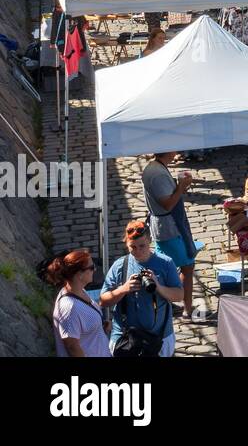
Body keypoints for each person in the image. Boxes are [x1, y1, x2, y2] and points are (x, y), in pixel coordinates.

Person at [99, 220, 183, 357]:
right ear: (126, 243)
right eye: (133, 247)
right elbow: (103, 301)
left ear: (150, 240)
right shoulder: (120, 266)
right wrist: (123, 289)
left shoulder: (165, 263)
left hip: (159, 338)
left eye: (142, 246)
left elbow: (179, 295)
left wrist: (159, 287)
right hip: (126, 339)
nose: (138, 251)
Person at [141, 152, 197, 317]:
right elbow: (167, 204)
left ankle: (170, 301)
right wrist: (180, 186)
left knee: (170, 266)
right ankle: (187, 309)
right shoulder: (157, 174)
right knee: (187, 267)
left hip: (165, 226)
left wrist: (181, 186)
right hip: (168, 228)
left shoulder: (156, 167)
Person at [42, 249, 110, 357]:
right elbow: (72, 347)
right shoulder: (69, 307)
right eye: (91, 268)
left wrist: (99, 327)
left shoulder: (80, 291)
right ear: (80, 274)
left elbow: (83, 326)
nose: (95, 269)